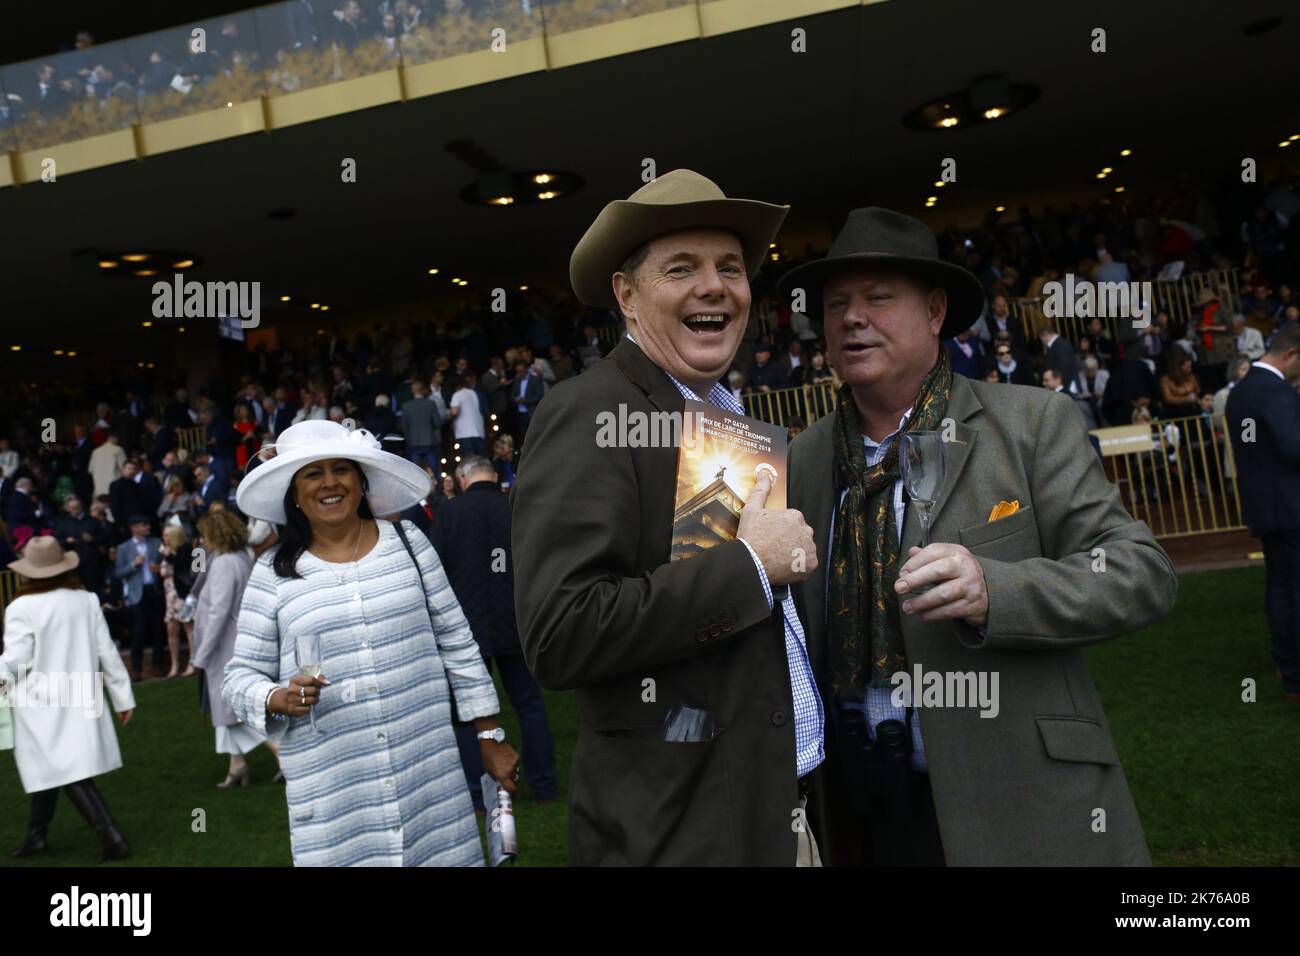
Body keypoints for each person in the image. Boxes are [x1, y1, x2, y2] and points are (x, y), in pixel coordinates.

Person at [777, 205, 1178, 866]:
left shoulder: (1031, 423)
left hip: (1016, 796)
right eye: (836, 304)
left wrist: (997, 589)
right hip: (854, 808)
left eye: (879, 299)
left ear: (935, 311)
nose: (851, 318)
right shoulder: (803, 460)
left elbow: (1142, 573)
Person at [513, 169, 823, 866]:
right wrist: (749, 567)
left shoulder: (733, 414)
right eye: (681, 269)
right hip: (676, 835)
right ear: (626, 296)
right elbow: (560, 633)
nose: (714, 287)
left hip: (772, 806)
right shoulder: (591, 411)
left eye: (730, 269)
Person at [223, 419, 519, 866]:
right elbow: (238, 676)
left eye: (340, 469)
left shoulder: (410, 544)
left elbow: (458, 642)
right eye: (312, 474)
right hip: (336, 794)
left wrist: (490, 735)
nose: (329, 483)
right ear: (295, 496)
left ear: (361, 483)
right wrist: (277, 696)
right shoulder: (273, 573)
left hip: (428, 776)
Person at [433, 456, 557, 810]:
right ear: (495, 476)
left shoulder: (450, 513)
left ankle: (475, 794)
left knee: (469, 713)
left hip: (466, 628)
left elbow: (436, 569)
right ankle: (544, 785)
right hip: (515, 624)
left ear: (461, 477)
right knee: (530, 705)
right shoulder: (515, 508)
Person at [1, 537, 135, 860]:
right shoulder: (85, 600)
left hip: (40, 701)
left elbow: (17, 659)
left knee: (65, 769)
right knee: (53, 766)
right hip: (81, 694)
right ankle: (36, 836)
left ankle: (112, 837)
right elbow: (107, 651)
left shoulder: (21, 607)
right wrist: (122, 697)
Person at [1225, 326, 1300, 703]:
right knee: (1293, 588)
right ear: (1292, 354)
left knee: (1280, 586)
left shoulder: (1242, 390)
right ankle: (1294, 674)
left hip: (1265, 505)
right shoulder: (1275, 390)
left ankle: (1288, 666)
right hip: (1291, 506)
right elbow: (1292, 447)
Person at [192, 509, 281, 787]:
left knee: (236, 708)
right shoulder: (241, 558)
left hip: (225, 646)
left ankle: (281, 753)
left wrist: (202, 654)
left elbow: (219, 610)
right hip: (236, 640)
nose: (203, 540)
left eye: (205, 534)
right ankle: (237, 764)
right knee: (228, 709)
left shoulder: (222, 563)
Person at [114, 515, 165, 681]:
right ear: (134, 528)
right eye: (143, 525)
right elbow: (118, 572)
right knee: (138, 632)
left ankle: (158, 666)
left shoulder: (156, 543)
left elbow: (165, 560)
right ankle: (136, 669)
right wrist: (133, 564)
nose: (147, 527)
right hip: (137, 593)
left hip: (154, 590)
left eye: (147, 524)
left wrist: (159, 568)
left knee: (158, 629)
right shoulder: (124, 548)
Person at [159, 522, 196, 679]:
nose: (164, 538)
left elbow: (182, 565)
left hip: (183, 595)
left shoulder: (187, 549)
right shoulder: (165, 552)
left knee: (188, 627)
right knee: (171, 630)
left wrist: (167, 555)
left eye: (167, 535)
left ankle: (193, 663)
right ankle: (175, 665)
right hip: (169, 595)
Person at [400, 380, 442, 471]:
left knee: (415, 470)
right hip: (429, 441)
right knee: (434, 468)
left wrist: (409, 438)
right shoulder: (430, 404)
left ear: (412, 391)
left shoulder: (406, 406)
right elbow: (437, 423)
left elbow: (404, 426)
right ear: (423, 390)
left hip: (413, 441)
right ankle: (435, 484)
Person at [449, 372, 486, 457]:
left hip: (465, 433)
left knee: (469, 462)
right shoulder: (474, 393)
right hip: (479, 432)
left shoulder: (457, 395)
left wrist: (449, 414)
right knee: (480, 460)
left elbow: (455, 412)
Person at [88, 431, 126, 499]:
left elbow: (90, 470)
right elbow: (125, 469)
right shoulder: (118, 449)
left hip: (99, 490)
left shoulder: (95, 452)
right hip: (115, 490)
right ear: (112, 437)